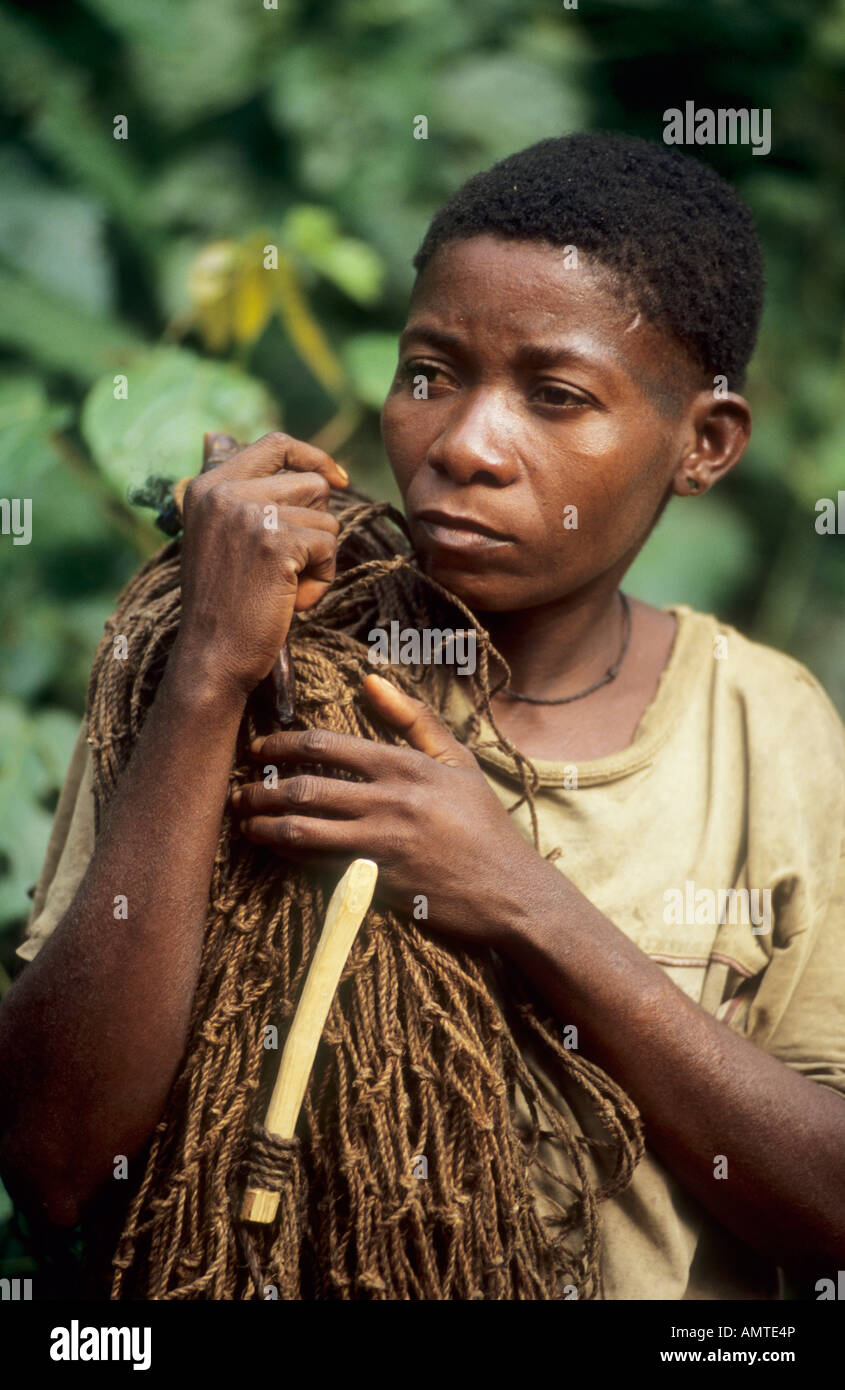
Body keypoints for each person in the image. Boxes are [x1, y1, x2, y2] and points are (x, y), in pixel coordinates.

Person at [1, 132, 844, 1300]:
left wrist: (522, 902)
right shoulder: (242, 662)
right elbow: (52, 1165)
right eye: (428, 374)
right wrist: (207, 674)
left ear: (702, 443)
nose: (461, 446)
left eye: (554, 395)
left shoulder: (767, 728)